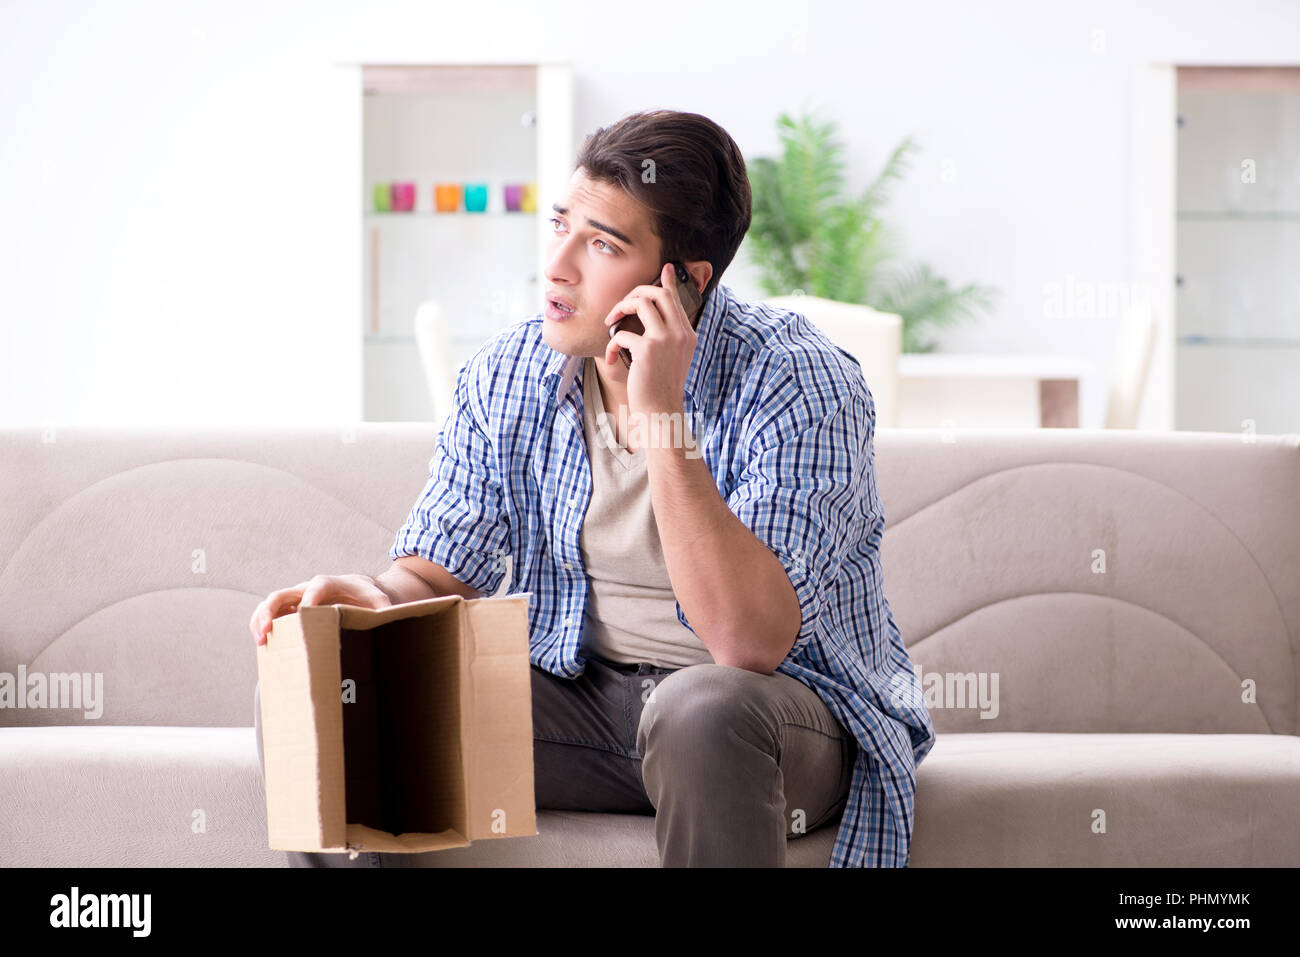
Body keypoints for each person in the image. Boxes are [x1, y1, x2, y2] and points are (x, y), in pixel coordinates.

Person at [250, 109, 935, 868]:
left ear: (684, 281)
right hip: (581, 700)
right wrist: (372, 598)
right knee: (331, 685)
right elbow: (436, 568)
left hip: (771, 719)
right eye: (561, 228)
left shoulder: (798, 380)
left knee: (700, 708)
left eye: (603, 244)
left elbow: (747, 643)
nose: (558, 266)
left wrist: (665, 422)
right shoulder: (511, 372)